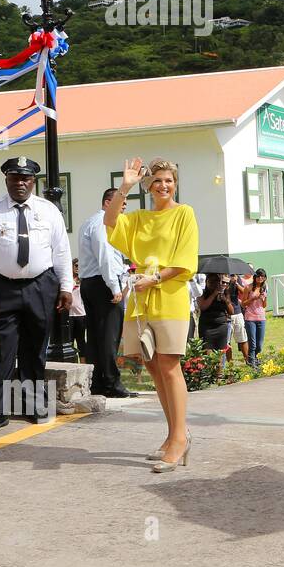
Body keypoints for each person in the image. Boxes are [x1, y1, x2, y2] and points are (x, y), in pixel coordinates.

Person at [0, 157, 73, 434]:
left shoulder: (49, 211)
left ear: (33, 181)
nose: (20, 183)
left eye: (26, 178)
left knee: (36, 349)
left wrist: (65, 286)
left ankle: (34, 405)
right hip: (3, 288)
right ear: (7, 180)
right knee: (2, 351)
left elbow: (61, 251)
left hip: (41, 285)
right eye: (15, 178)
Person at [107, 157, 198, 472]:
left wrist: (156, 278)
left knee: (170, 366)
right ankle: (176, 434)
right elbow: (110, 223)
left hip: (169, 295)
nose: (163, 185)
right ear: (149, 186)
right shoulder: (140, 218)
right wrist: (124, 187)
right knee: (153, 366)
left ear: (176, 184)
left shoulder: (184, 214)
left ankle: (179, 438)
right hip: (141, 297)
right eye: (157, 180)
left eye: (169, 180)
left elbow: (186, 261)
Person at [77, 188, 132, 397]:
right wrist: (115, 287)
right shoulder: (102, 223)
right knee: (109, 335)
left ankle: (98, 380)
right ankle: (110, 382)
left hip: (91, 282)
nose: (123, 209)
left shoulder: (89, 221)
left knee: (96, 335)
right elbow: (105, 256)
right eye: (121, 204)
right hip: (104, 282)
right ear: (108, 203)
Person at [197, 274, 233, 350]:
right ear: (206, 282)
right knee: (207, 352)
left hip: (221, 326)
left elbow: (231, 311)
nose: (214, 284)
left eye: (217, 281)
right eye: (211, 281)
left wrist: (225, 300)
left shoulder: (224, 293)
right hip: (207, 327)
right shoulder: (202, 293)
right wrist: (214, 294)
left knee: (219, 353)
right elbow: (203, 307)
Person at [241, 269, 268, 363]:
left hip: (261, 318)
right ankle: (252, 364)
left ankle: (256, 360)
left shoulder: (264, 288)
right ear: (255, 277)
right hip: (250, 318)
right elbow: (243, 304)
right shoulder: (248, 287)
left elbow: (264, 305)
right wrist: (252, 299)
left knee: (259, 345)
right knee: (252, 344)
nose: (260, 278)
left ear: (265, 278)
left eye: (262, 276)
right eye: (258, 276)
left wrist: (263, 299)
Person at [69, 259, 87, 359]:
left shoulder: (84, 280)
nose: (77, 268)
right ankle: (71, 362)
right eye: (75, 265)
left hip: (81, 315)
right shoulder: (68, 280)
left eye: (80, 266)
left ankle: (83, 364)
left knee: (81, 341)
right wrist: (73, 282)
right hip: (69, 315)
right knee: (69, 341)